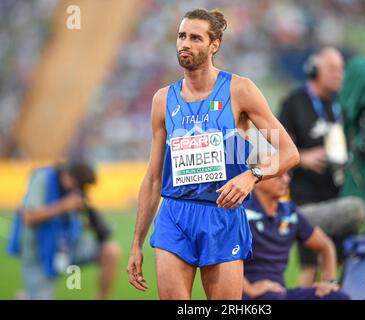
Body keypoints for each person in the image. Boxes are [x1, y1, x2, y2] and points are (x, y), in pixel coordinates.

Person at [127, 8, 300, 300]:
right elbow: (154, 178)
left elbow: (288, 152)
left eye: (195, 38)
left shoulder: (239, 91)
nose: (185, 43)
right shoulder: (162, 100)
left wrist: (251, 176)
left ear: (214, 45)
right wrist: (136, 243)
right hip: (175, 214)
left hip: (221, 214)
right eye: (182, 36)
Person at [279, 47, 365, 286]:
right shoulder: (294, 102)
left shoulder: (342, 105)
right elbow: (276, 145)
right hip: (306, 195)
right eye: (332, 68)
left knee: (341, 260)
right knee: (310, 264)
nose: (339, 75)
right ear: (315, 70)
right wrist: (303, 157)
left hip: (339, 191)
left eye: (341, 69)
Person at [7, 161, 121, 300]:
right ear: (68, 177)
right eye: (80, 185)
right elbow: (28, 217)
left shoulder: (69, 189)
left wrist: (86, 225)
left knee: (110, 251)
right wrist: (65, 205)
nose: (81, 190)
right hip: (39, 251)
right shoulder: (43, 178)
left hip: (67, 245)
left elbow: (63, 221)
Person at [242, 172, 349, 300]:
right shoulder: (241, 212)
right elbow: (222, 257)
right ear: (257, 179)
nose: (286, 179)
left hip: (280, 292)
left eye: (287, 174)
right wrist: (251, 289)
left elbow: (325, 245)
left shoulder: (289, 213)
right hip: (248, 294)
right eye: (279, 175)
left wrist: (329, 282)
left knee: (336, 297)